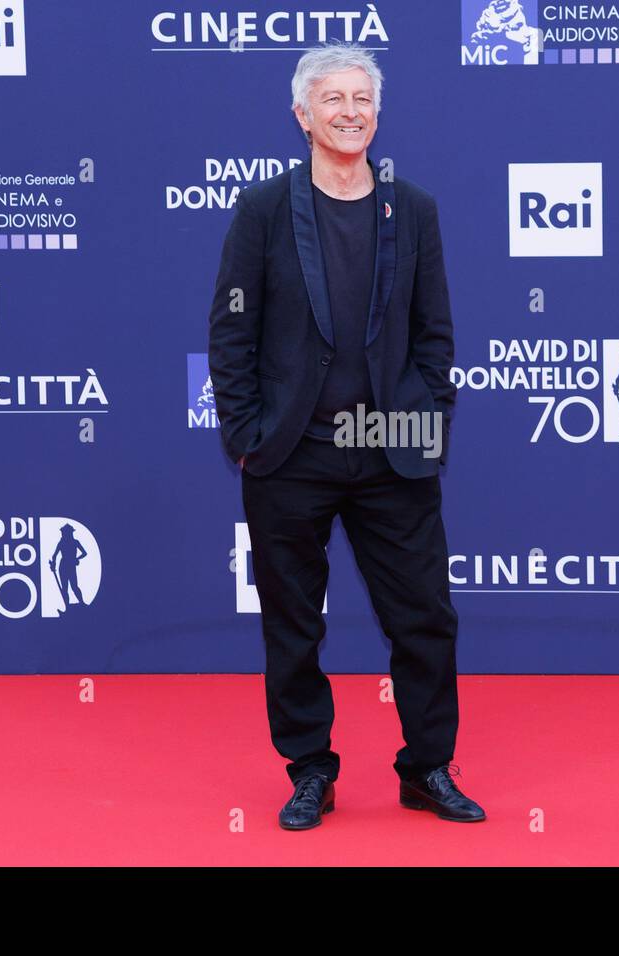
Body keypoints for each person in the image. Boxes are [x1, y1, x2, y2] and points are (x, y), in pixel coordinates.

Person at [207, 41, 485, 830]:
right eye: (333, 99)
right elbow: (231, 331)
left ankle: (427, 766)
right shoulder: (263, 211)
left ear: (378, 111)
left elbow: (436, 333)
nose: (349, 111)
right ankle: (310, 771)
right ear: (302, 114)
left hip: (392, 448)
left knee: (425, 616)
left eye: (362, 99)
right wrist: (246, 435)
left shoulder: (415, 209)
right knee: (293, 623)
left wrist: (426, 416)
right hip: (291, 451)